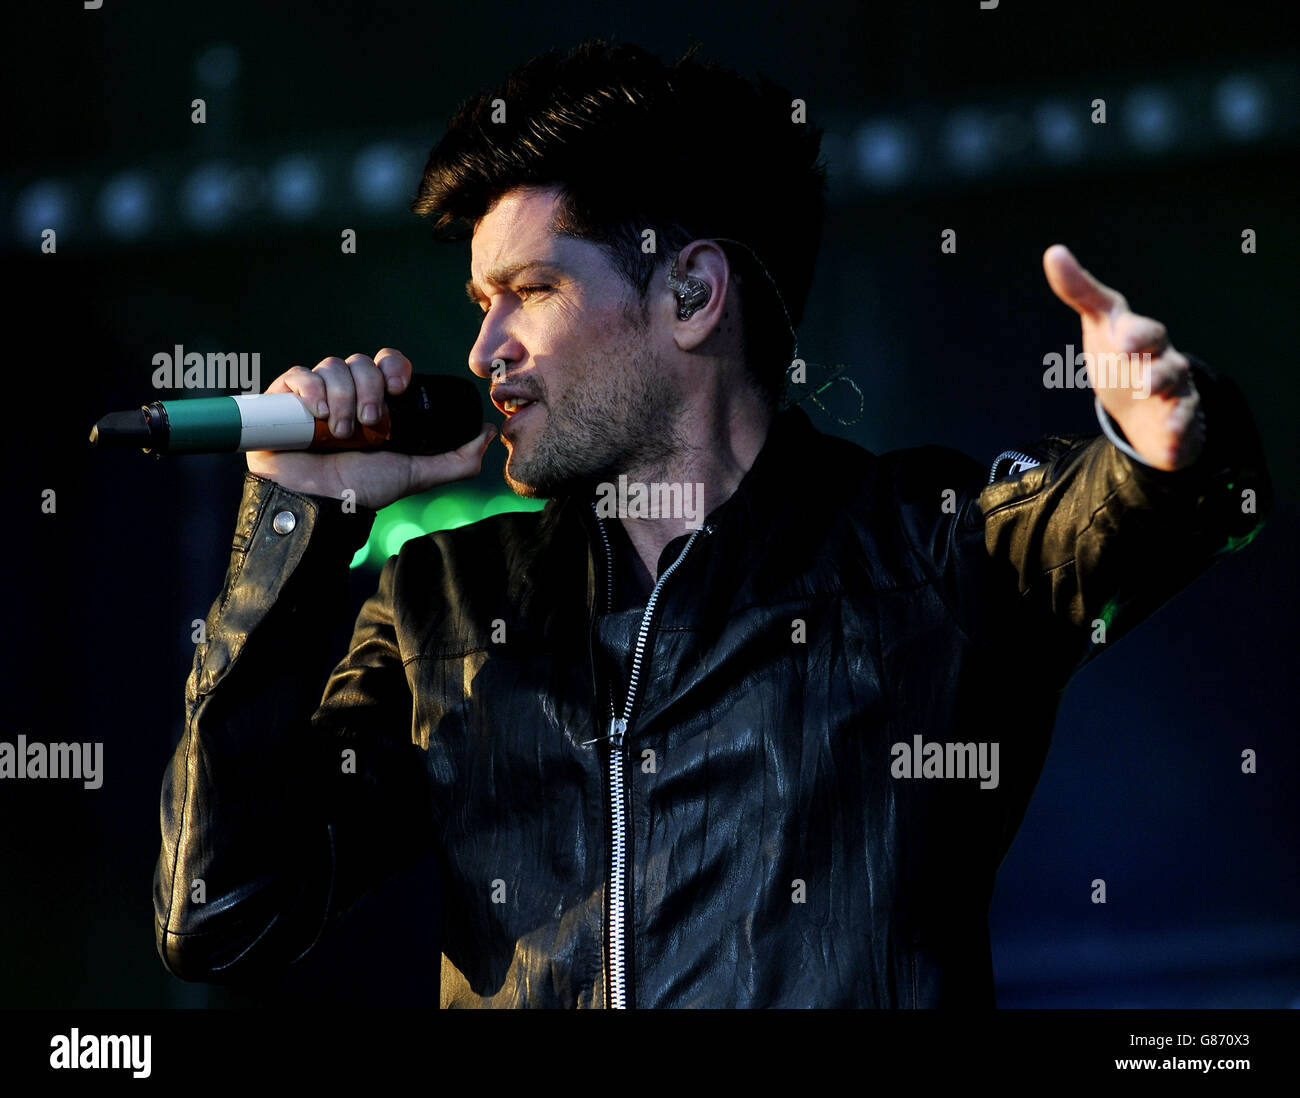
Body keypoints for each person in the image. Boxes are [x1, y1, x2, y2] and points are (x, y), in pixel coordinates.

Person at [152, 39, 1271, 1007]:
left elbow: (1120, 515)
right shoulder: (445, 602)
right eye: (478, 306)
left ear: (690, 296)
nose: (486, 349)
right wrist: (291, 523)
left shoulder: (920, 550)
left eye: (529, 292)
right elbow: (219, 918)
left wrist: (1165, 439)